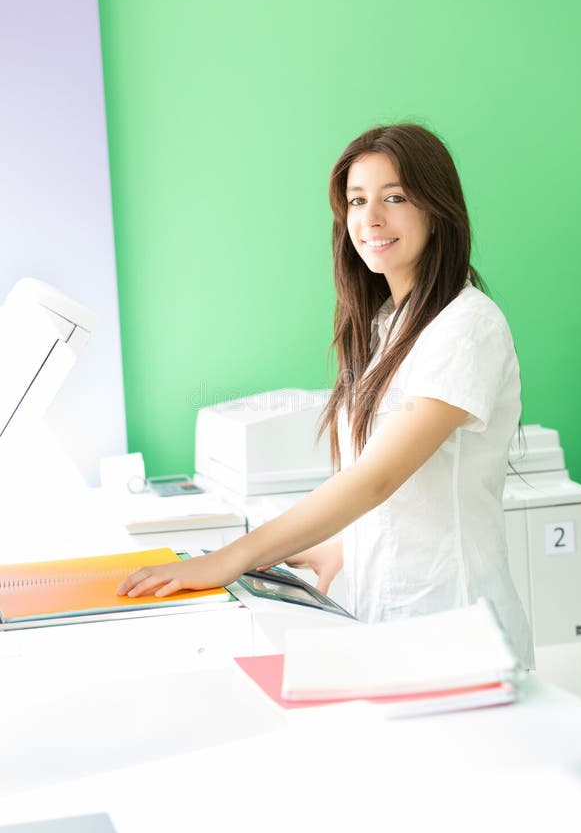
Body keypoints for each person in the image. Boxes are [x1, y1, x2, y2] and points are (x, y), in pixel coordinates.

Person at [118, 123, 534, 668]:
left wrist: (229, 559)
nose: (371, 218)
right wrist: (340, 549)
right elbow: (403, 498)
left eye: (395, 198)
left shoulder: (467, 324)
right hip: (387, 620)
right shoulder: (386, 323)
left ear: (438, 209)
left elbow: (376, 478)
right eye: (357, 200)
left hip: (452, 627)